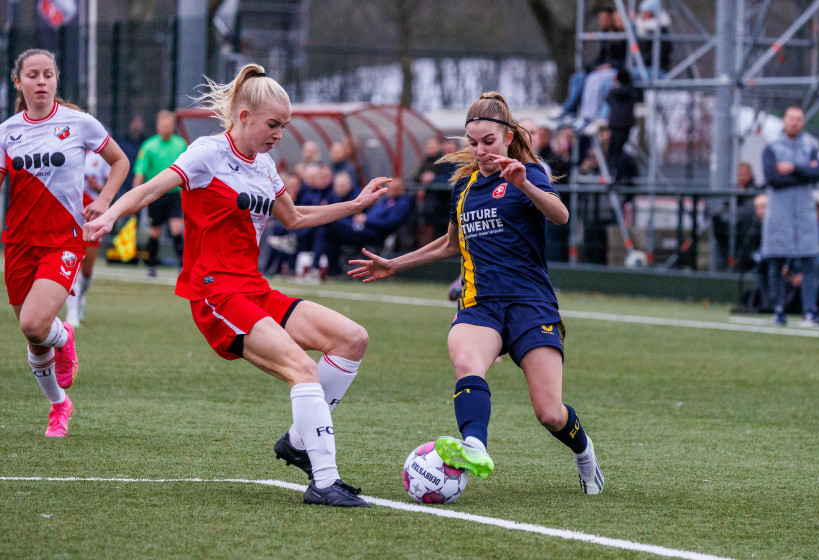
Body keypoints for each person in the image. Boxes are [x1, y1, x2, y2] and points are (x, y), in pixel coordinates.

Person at [84, 63, 390, 508]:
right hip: (215, 293)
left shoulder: (265, 165)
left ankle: (298, 441)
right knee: (302, 369)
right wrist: (110, 213)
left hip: (255, 289)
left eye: (284, 126)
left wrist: (355, 204)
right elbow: (151, 190)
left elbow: (295, 218)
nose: (279, 134)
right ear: (243, 116)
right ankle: (325, 481)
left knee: (352, 339)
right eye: (273, 124)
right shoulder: (207, 153)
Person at [349, 92, 604, 495]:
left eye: (488, 141)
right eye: (472, 142)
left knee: (550, 413)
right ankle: (474, 446)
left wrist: (524, 184)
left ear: (506, 137)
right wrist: (393, 264)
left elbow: (560, 214)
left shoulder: (528, 172)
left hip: (530, 304)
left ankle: (585, 453)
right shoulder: (464, 186)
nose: (480, 150)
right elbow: (449, 244)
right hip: (479, 302)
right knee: (467, 360)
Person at [0, 48, 129, 437]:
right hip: (19, 242)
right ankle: (59, 405)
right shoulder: (7, 131)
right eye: (33, 75)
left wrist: (104, 202)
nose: (41, 81)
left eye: (48, 74)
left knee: (35, 323)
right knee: (34, 336)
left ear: (56, 80)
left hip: (63, 240)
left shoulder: (79, 123)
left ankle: (64, 335)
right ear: (18, 82)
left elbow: (119, 161)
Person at [761, 106, 819, 326]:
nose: (795, 122)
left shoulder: (810, 146)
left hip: (805, 213)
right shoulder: (772, 147)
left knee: (810, 260)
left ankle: (810, 310)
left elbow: (818, 173)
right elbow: (773, 178)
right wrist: (804, 173)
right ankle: (778, 309)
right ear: (784, 121)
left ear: (803, 122)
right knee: (776, 259)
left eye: (799, 119)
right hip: (779, 212)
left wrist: (793, 168)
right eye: (791, 118)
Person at [133, 110, 188, 276]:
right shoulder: (149, 146)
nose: (166, 128)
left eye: (169, 125)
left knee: (177, 229)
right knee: (155, 231)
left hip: (175, 194)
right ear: (158, 126)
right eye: (164, 125)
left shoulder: (181, 144)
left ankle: (183, 265)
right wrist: (135, 196)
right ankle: (151, 265)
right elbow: (140, 172)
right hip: (155, 194)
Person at [65, 150, 111, 327]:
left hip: (93, 214)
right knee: (72, 263)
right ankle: (72, 312)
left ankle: (81, 296)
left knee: (87, 271)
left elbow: (111, 185)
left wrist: (97, 187)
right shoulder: (67, 150)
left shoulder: (102, 155)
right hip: (70, 212)